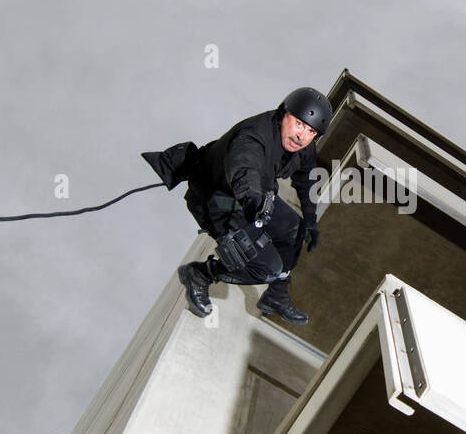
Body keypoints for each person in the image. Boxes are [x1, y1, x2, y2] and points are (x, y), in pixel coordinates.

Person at [141, 87, 332, 326]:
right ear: (284, 114)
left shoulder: (304, 148)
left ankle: (275, 296)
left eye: (311, 131)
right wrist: (253, 202)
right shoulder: (252, 137)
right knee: (266, 268)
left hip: (258, 197)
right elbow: (244, 169)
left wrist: (311, 219)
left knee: (296, 231)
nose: (301, 136)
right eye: (299, 124)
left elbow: (305, 180)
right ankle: (200, 274)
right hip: (217, 202)